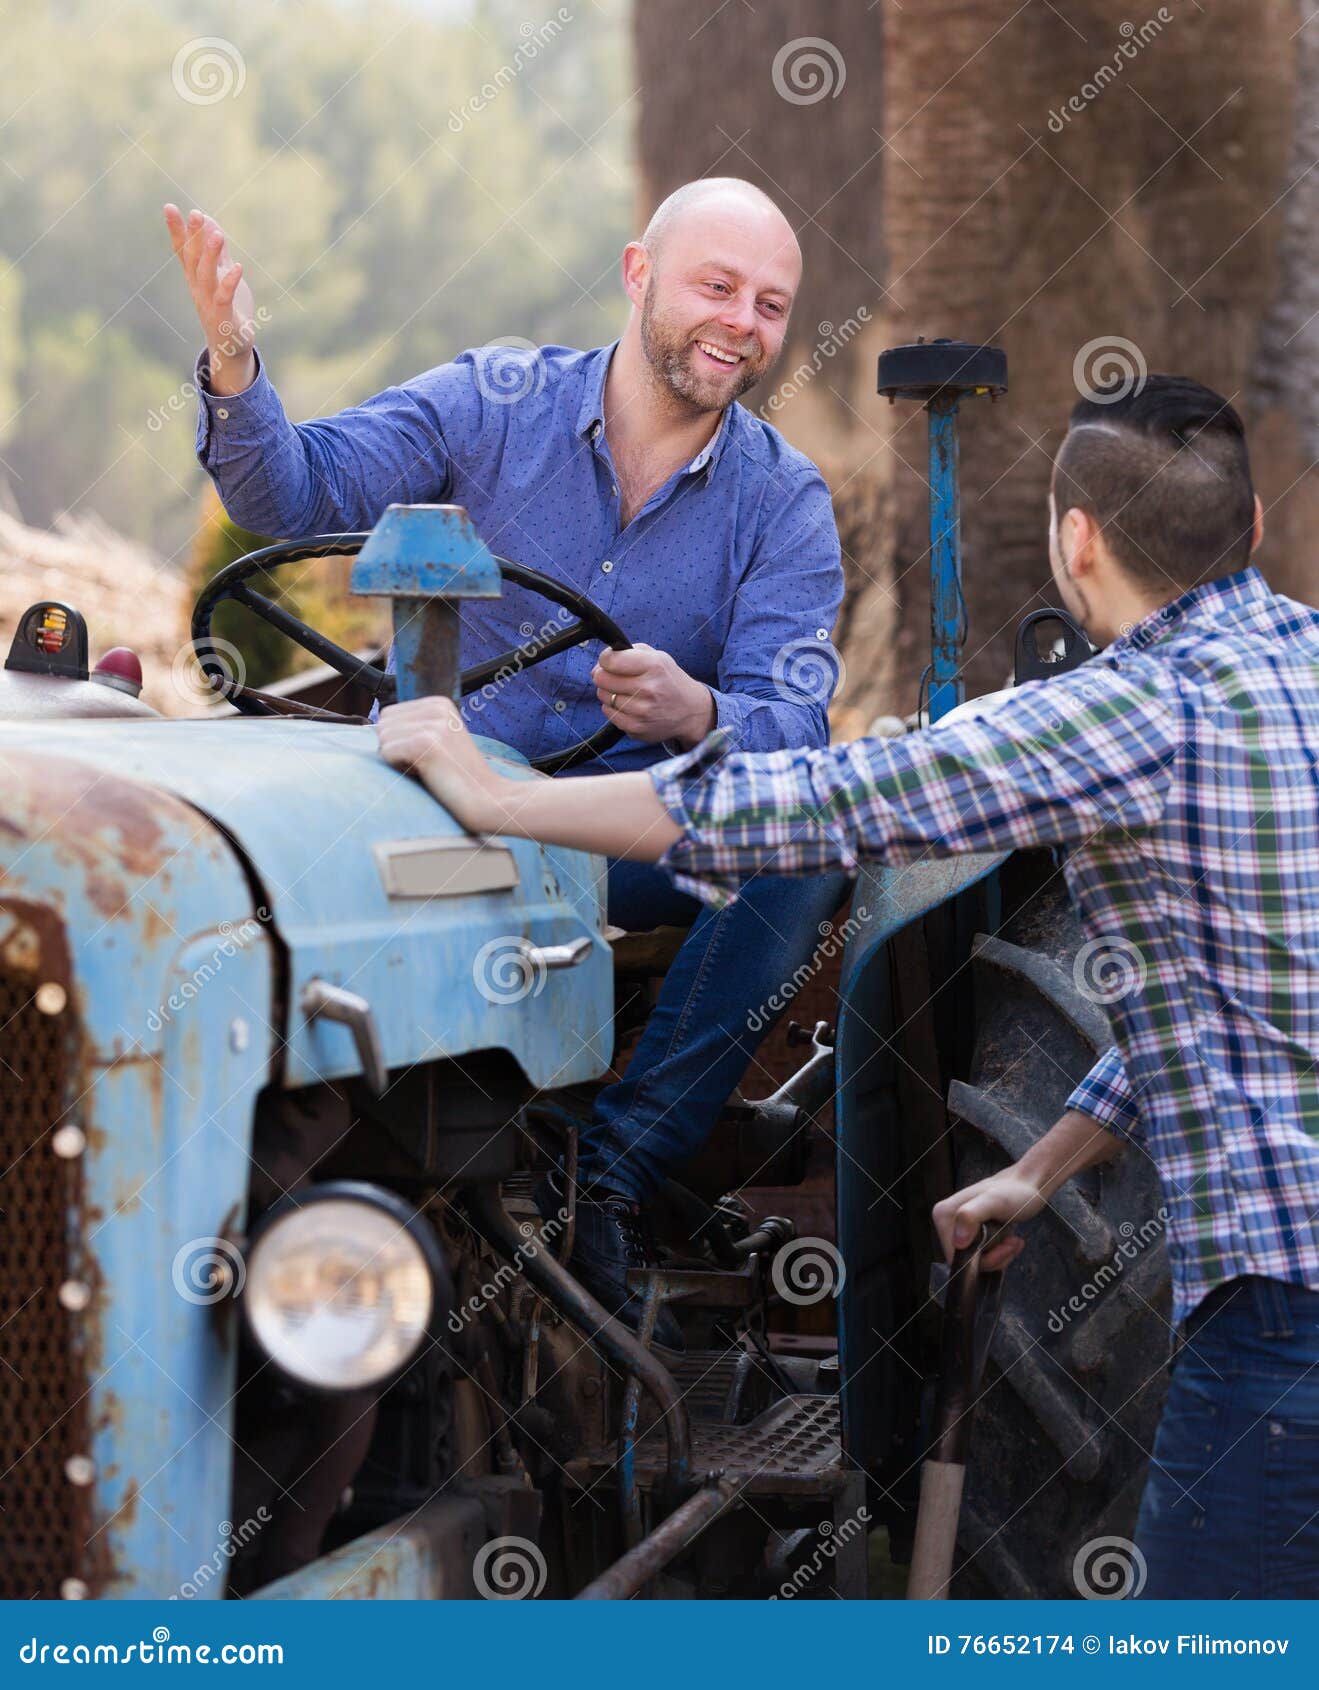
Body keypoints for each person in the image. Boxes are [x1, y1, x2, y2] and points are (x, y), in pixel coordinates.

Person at [377, 375, 1319, 1598]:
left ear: (1072, 540)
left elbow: (822, 802)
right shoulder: (1298, 658)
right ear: (1249, 529)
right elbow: (1232, 991)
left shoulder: (1124, 712)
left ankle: (603, 1175)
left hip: (1279, 1318)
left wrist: (495, 798)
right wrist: (1041, 1167)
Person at [166, 180, 847, 1350]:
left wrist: (697, 710)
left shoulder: (779, 502)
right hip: (419, 817)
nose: (742, 321)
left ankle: (612, 1175)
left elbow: (792, 729)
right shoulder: (492, 405)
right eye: (716, 286)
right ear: (639, 274)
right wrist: (233, 362)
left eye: (771, 302)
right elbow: (297, 492)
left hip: (602, 844)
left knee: (797, 846)